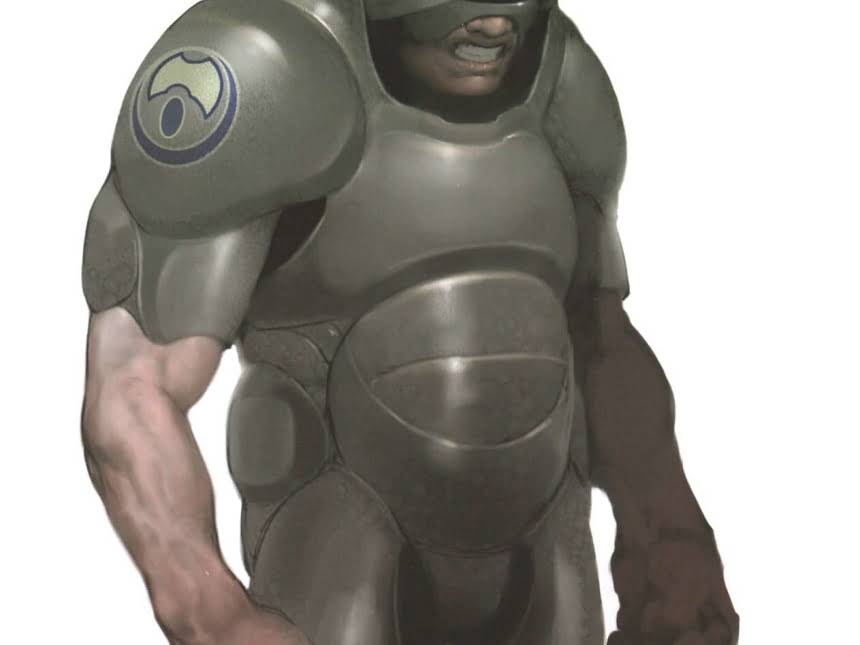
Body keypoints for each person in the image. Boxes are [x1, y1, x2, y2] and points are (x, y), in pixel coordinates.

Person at [80, 1, 738, 644]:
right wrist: (213, 614)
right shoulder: (265, 65)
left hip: (546, 542)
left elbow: (598, 332)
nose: (494, 25)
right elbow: (135, 384)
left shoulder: (558, 76)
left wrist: (667, 527)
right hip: (344, 534)